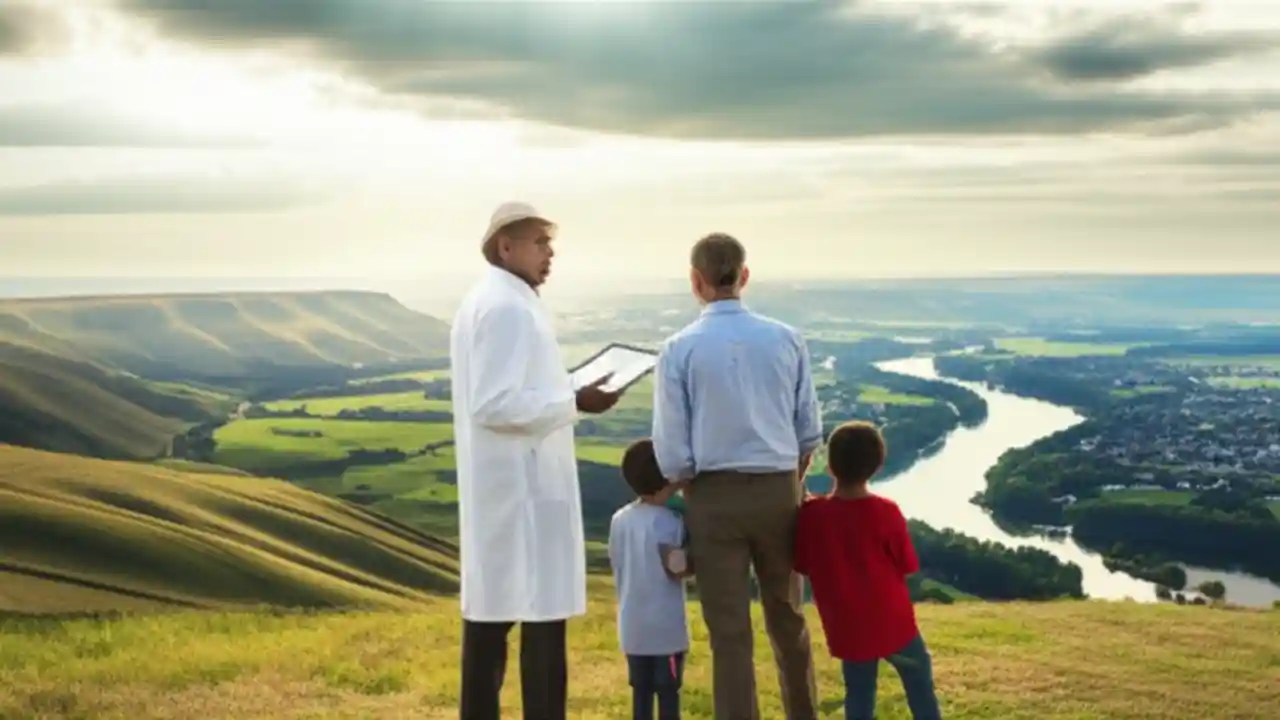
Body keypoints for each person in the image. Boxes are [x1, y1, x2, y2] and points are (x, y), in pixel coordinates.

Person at [450, 201, 623, 720]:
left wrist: (572, 388)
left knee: (494, 621)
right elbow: (493, 402)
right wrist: (574, 402)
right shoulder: (505, 308)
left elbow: (519, 390)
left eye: (550, 244)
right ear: (506, 246)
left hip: (510, 489)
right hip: (519, 492)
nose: (550, 254)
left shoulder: (499, 300)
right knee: (534, 623)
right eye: (539, 243)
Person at [651, 232, 823, 720]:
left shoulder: (678, 349)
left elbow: (672, 447)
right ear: (744, 276)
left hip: (712, 497)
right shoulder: (787, 338)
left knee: (729, 634)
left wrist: (692, 486)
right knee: (788, 620)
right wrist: (792, 479)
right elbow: (808, 429)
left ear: (695, 281)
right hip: (778, 491)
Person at [794, 421, 943, 720]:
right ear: (877, 465)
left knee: (859, 694)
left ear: (831, 467)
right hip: (894, 623)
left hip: (847, 628)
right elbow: (907, 566)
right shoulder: (886, 512)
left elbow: (801, 564)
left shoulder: (812, 517)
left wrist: (799, 479)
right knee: (919, 685)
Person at [608, 438, 693, 720]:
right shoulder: (670, 522)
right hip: (665, 632)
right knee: (668, 691)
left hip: (632, 627)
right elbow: (678, 567)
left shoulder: (619, 519)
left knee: (640, 692)